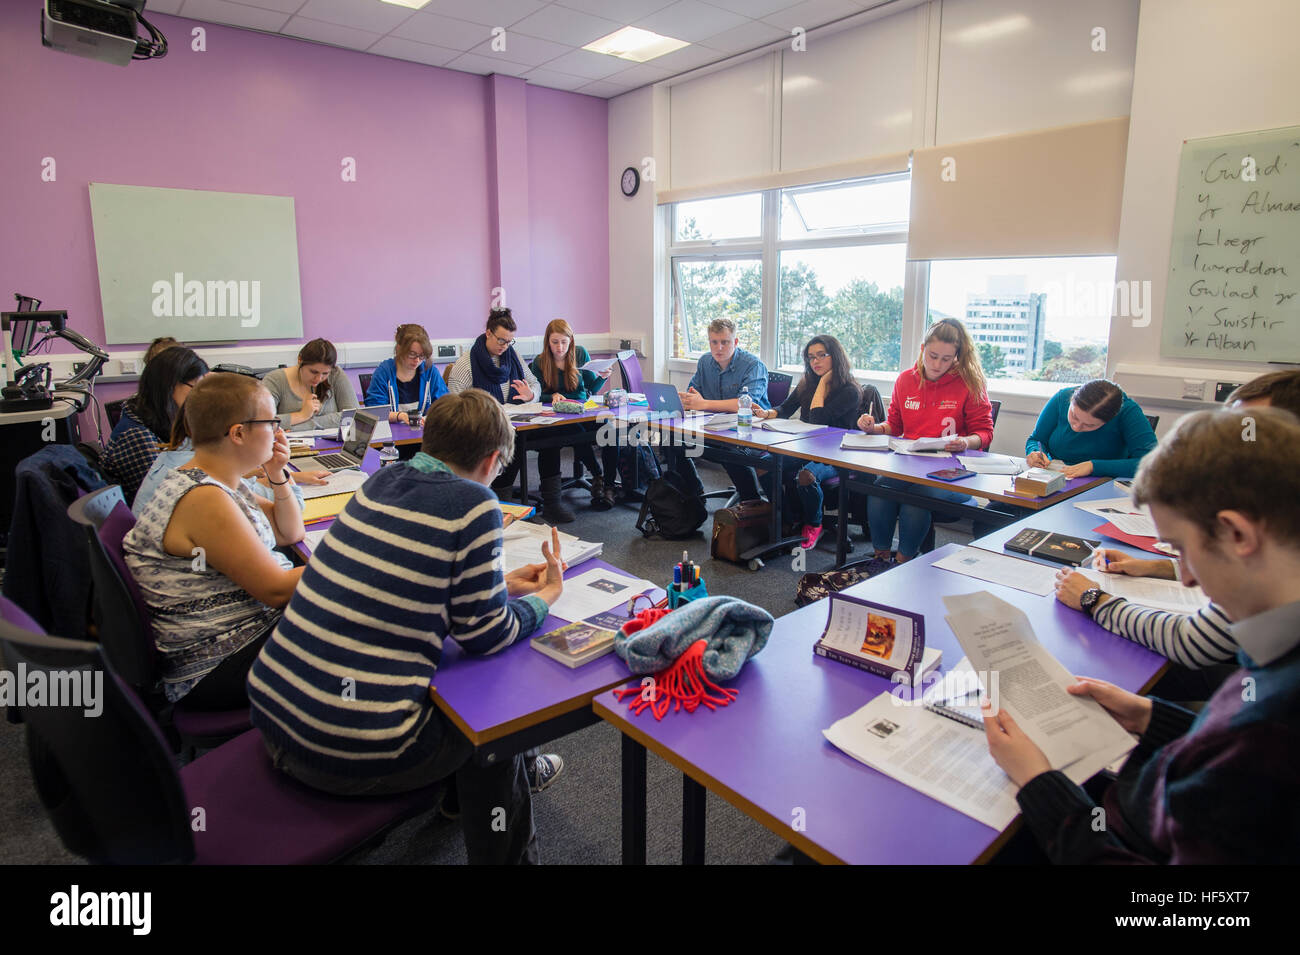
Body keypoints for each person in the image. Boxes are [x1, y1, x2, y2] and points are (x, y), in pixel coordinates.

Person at [247, 390, 567, 865]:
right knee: (494, 716)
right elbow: (485, 635)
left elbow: (412, 578)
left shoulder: (380, 482)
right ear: (492, 460)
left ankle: (465, 795)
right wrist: (545, 598)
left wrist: (498, 582)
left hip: (275, 715)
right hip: (339, 751)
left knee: (446, 673)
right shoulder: (476, 504)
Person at [983, 406, 1300, 863]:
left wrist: (1039, 785)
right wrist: (1154, 717)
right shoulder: (1274, 657)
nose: (1186, 578)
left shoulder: (1270, 732)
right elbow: (1225, 752)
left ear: (1236, 534)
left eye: (1183, 550)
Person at [123, 373, 305, 708]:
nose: (279, 432)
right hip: (215, 663)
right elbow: (276, 589)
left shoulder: (214, 477)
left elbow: (289, 533)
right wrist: (354, 559)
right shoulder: (204, 497)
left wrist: (278, 473)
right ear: (238, 433)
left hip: (238, 635)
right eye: (271, 422)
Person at [858, 318, 994, 564]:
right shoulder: (905, 380)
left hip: (952, 471)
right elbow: (895, 426)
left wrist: (965, 441)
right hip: (909, 464)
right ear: (922, 349)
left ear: (957, 357)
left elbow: (984, 433)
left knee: (916, 499)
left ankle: (902, 562)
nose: (937, 364)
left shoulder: (970, 383)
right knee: (879, 490)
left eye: (946, 359)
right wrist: (874, 427)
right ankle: (879, 559)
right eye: (932, 356)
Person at [753, 335, 860, 549]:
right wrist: (768, 413)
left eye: (822, 355)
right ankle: (788, 516)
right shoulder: (806, 384)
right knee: (763, 465)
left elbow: (818, 420)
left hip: (836, 455)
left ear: (836, 357)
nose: (816, 362)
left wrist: (823, 383)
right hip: (806, 447)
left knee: (806, 475)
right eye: (811, 357)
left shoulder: (850, 390)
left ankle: (814, 524)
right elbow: (786, 408)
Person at [667, 317, 770, 503]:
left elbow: (746, 404)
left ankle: (752, 501)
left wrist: (703, 403)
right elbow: (694, 394)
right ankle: (694, 490)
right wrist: (684, 400)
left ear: (736, 342)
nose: (719, 348)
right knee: (672, 439)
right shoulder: (705, 362)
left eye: (725, 342)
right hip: (715, 424)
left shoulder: (753, 365)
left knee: (730, 448)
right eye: (714, 342)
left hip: (751, 429)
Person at [447, 308, 545, 498]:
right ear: (488, 333)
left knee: (531, 442)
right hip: (479, 430)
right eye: (501, 340)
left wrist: (531, 394)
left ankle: (504, 495)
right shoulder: (466, 363)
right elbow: (453, 405)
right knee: (505, 444)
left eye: (509, 342)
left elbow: (534, 383)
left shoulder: (512, 356)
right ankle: (496, 497)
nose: (505, 346)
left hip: (513, 425)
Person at [529, 318, 619, 511]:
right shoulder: (539, 362)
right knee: (578, 433)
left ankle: (610, 485)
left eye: (564, 342)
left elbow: (589, 390)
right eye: (555, 342)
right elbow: (534, 395)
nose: (560, 347)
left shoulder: (579, 353)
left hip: (582, 411)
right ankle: (597, 475)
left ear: (571, 341)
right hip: (558, 417)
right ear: (548, 342)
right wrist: (551, 395)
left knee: (610, 431)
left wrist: (602, 378)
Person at [101, 346, 209, 504]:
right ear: (171, 385)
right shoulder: (137, 435)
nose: (200, 396)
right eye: (196, 387)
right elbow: (166, 496)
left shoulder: (159, 419)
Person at [1025, 379, 1157, 479]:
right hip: (1056, 479)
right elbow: (1036, 439)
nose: (1077, 427)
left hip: (1102, 484)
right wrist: (1035, 452)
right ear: (1071, 400)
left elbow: (1151, 464)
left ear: (1110, 419)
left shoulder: (1128, 412)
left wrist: (1093, 466)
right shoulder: (1062, 398)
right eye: (1074, 416)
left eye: (1089, 425)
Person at [261, 338, 359, 432]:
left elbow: (355, 416)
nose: (318, 379)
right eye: (313, 372)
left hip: (330, 446)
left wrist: (305, 425)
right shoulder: (275, 380)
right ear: (300, 360)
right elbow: (262, 422)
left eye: (325, 374)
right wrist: (302, 415)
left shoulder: (336, 374)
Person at [364, 323, 448, 424]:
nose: (417, 360)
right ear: (399, 349)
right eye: (412, 354)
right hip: (392, 436)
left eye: (421, 355)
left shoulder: (430, 371)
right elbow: (375, 412)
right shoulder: (384, 372)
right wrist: (399, 416)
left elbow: (445, 405)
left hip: (422, 434)